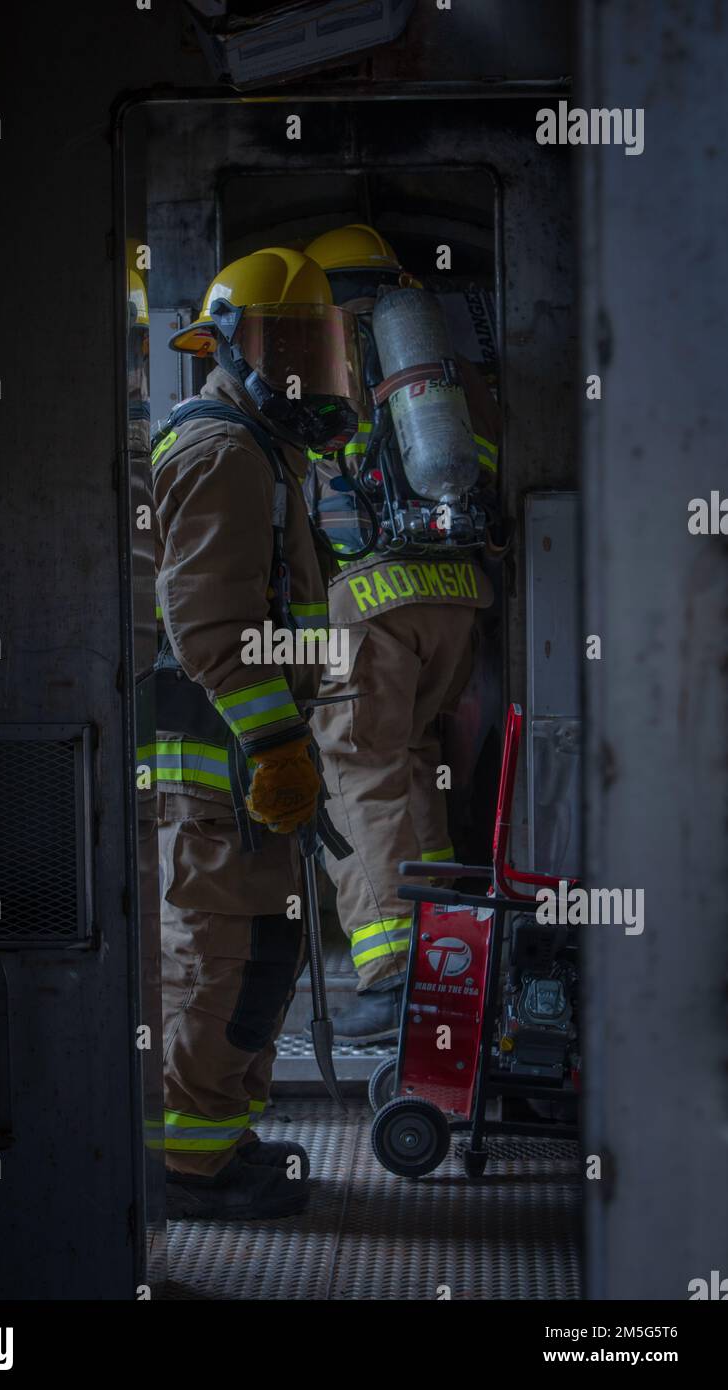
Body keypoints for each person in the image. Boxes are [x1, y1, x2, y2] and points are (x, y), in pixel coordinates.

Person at [147, 246, 364, 1218]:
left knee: (264, 959)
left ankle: (221, 1138)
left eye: (309, 348)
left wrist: (287, 742)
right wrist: (276, 744)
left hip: (258, 759)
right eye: (281, 346)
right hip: (220, 766)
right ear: (224, 344)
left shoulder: (263, 449)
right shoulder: (221, 452)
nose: (301, 373)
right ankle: (184, 1170)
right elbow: (205, 625)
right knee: (218, 959)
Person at [302, 224, 501, 1043]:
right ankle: (446, 961)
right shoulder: (438, 363)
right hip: (458, 595)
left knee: (358, 773)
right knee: (413, 764)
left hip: (369, 598)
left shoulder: (322, 351)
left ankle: (388, 975)